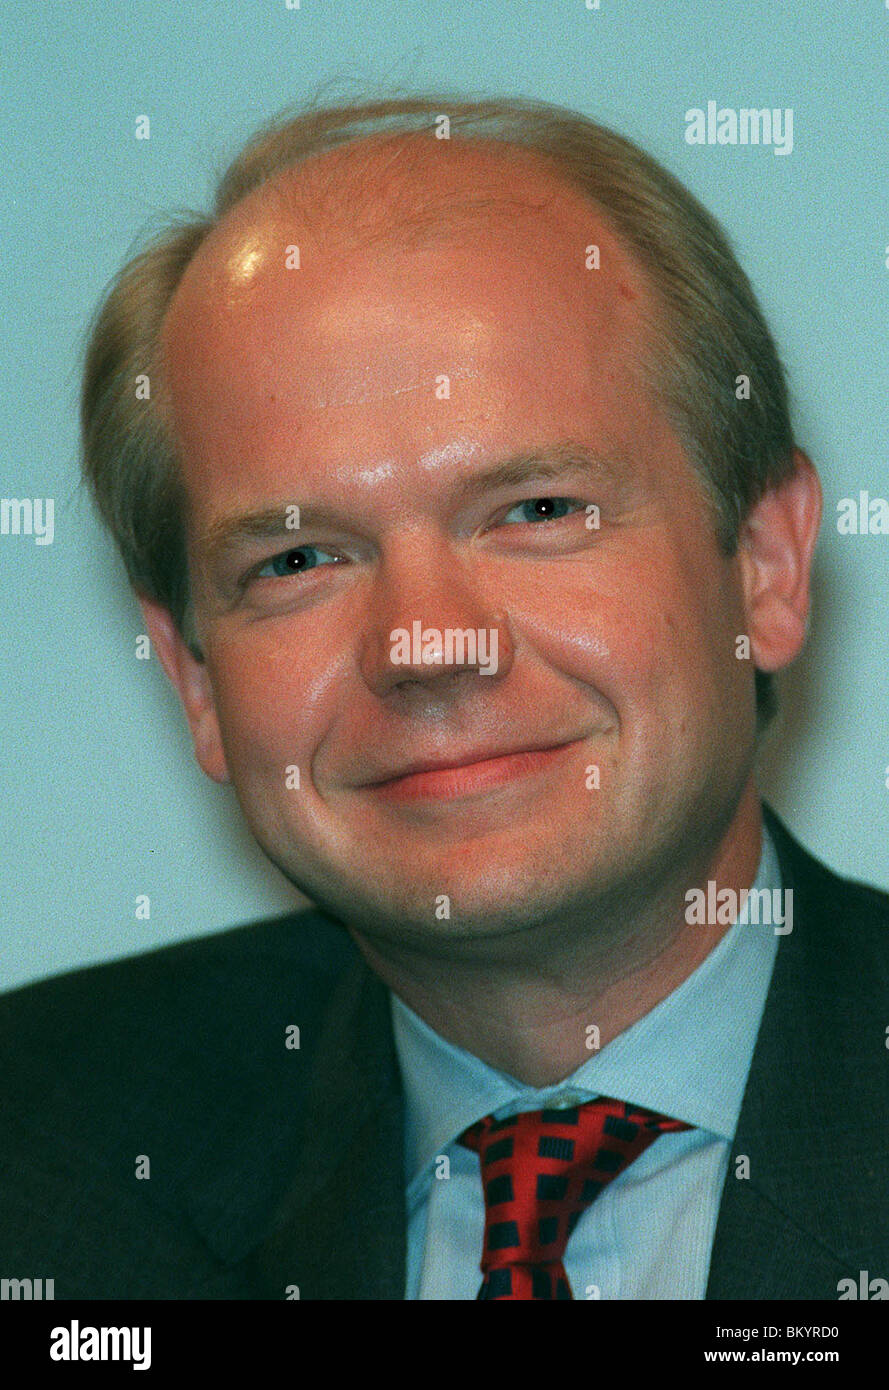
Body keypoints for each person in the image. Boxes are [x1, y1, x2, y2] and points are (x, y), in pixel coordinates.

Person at [2, 94, 887, 1302]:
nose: (426, 643)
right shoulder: (37, 1157)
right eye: (297, 561)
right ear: (196, 674)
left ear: (765, 566)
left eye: (535, 511)